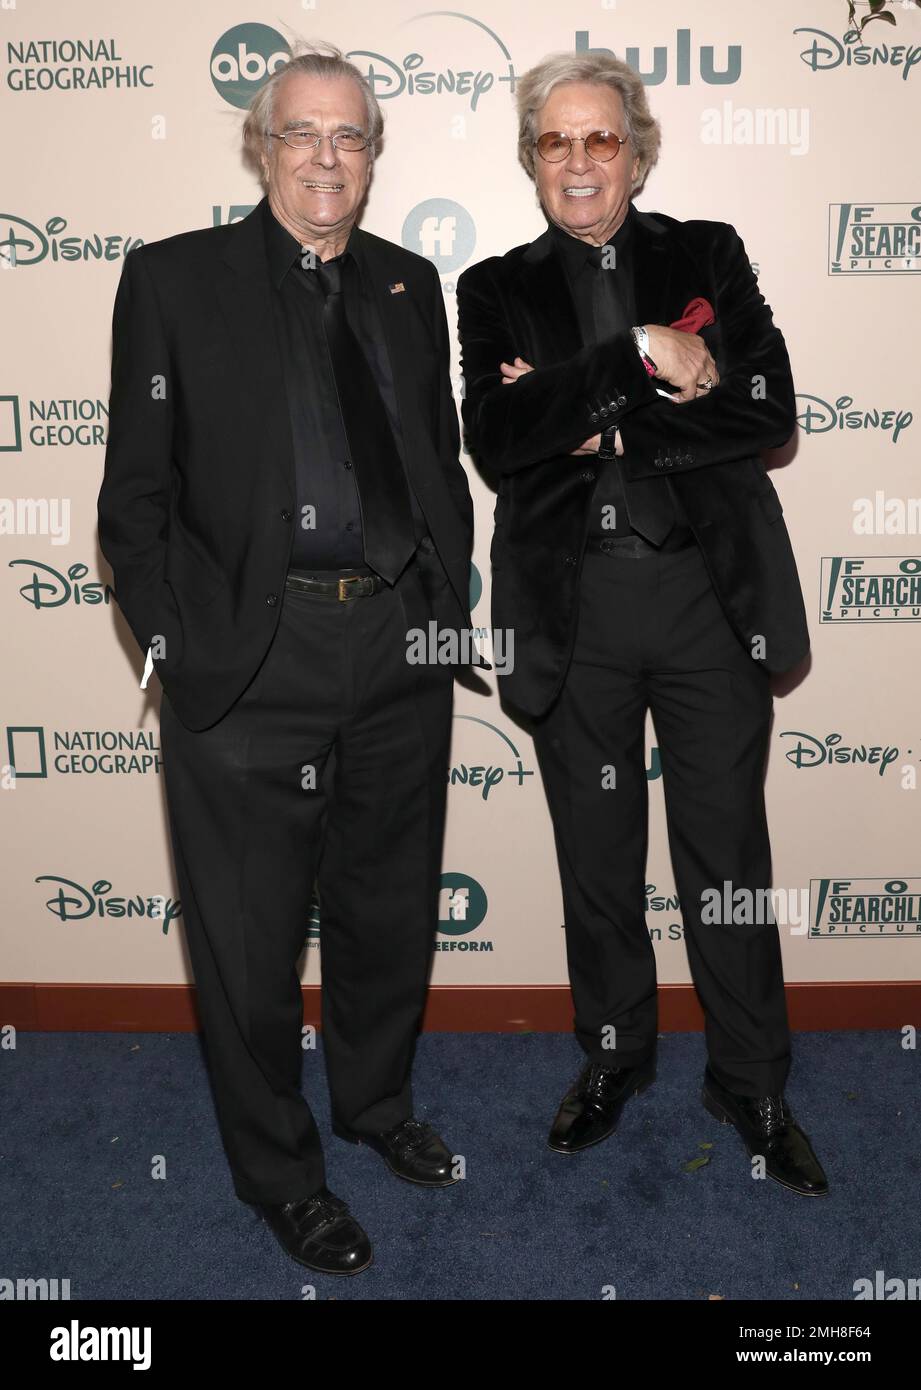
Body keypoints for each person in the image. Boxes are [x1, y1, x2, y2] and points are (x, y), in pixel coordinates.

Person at [97, 41, 475, 1275]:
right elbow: (133, 502)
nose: (327, 156)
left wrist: (438, 601)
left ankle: (373, 1107)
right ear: (262, 144)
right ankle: (280, 1173)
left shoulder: (414, 286)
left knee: (384, 910)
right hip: (250, 659)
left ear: (373, 157)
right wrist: (176, 642)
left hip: (398, 651)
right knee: (252, 940)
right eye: (304, 132)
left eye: (350, 136)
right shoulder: (173, 282)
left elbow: (433, 464)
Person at [456, 50, 828, 1197]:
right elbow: (500, 442)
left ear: (637, 149)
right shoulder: (489, 286)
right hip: (577, 608)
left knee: (727, 855)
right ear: (530, 160)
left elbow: (768, 415)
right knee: (599, 861)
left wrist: (592, 414)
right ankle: (614, 1056)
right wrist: (643, 364)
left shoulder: (703, 251)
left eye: (601, 139)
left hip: (707, 601)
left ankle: (751, 1076)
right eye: (556, 141)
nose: (580, 162)